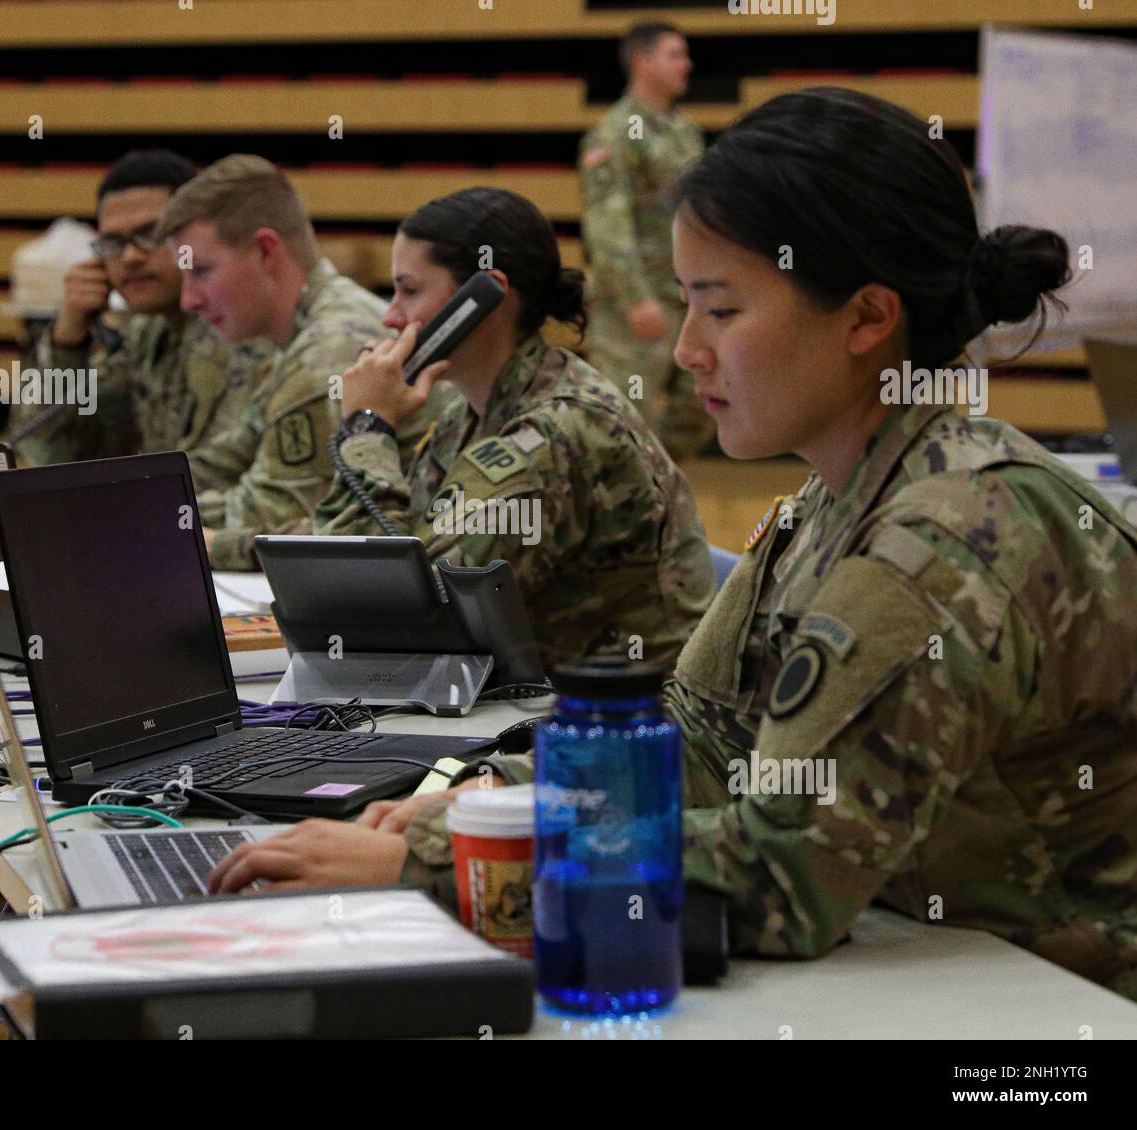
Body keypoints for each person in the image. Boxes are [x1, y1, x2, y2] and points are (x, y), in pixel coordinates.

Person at [209, 91, 1137, 1005]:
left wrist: (435, 865)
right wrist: (489, 800)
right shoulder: (836, 494)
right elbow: (703, 741)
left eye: (722, 310)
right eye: (687, 307)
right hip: (939, 975)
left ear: (865, 318)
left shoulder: (941, 536)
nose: (688, 350)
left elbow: (784, 881)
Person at [312, 186, 716, 671]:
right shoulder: (471, 414)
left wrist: (367, 427)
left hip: (608, 724)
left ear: (483, 297)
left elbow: (410, 616)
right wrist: (231, 544)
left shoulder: (556, 430)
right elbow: (387, 552)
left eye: (410, 290)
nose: (390, 315)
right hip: (518, 699)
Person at [154, 154, 452, 571]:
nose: (188, 300)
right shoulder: (303, 333)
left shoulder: (328, 352)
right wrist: (137, 502)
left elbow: (272, 511)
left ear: (265, 251)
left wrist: (146, 523)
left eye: (201, 271)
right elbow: (222, 465)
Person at [13, 149, 274, 489]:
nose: (131, 257)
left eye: (151, 234)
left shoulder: (242, 329)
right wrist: (68, 341)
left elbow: (214, 483)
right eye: (113, 242)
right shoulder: (146, 331)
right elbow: (50, 453)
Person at [579, 21, 713, 459]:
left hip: (685, 294)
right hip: (633, 303)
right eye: (675, 54)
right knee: (626, 416)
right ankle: (626, 503)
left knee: (698, 407)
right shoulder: (614, 134)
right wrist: (636, 298)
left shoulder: (684, 132)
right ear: (642, 61)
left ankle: (655, 486)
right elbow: (607, 226)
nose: (687, 65)